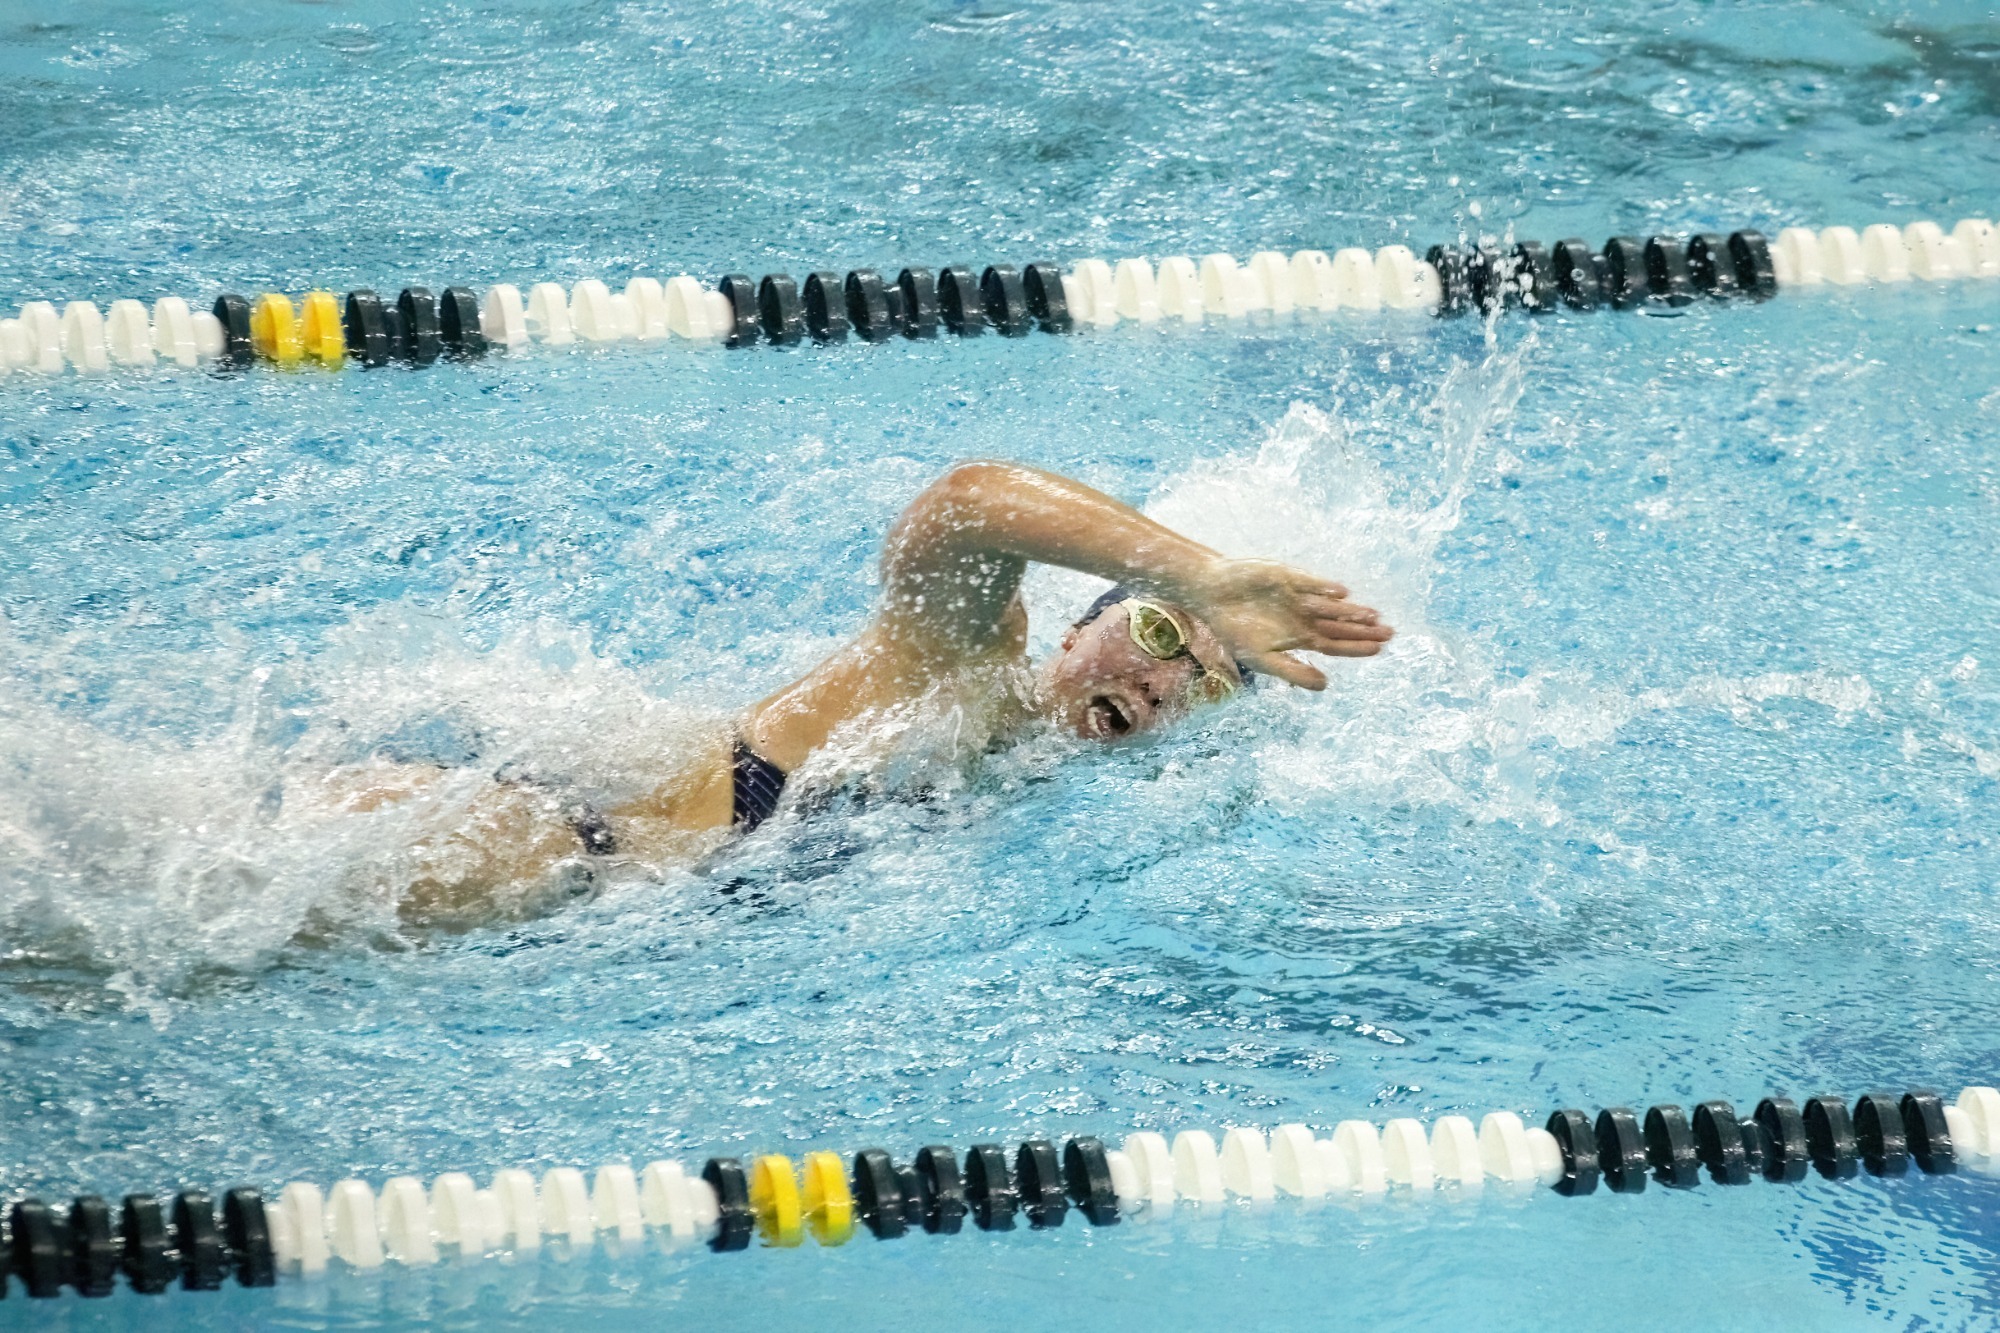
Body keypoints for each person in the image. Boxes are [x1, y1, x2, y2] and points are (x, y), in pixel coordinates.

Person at [324, 460, 1393, 920]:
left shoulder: (1022, 784)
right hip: (535, 845)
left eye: (1199, 693)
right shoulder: (967, 664)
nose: (1159, 685)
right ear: (1080, 625)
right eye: (1157, 633)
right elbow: (963, 504)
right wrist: (1198, 573)